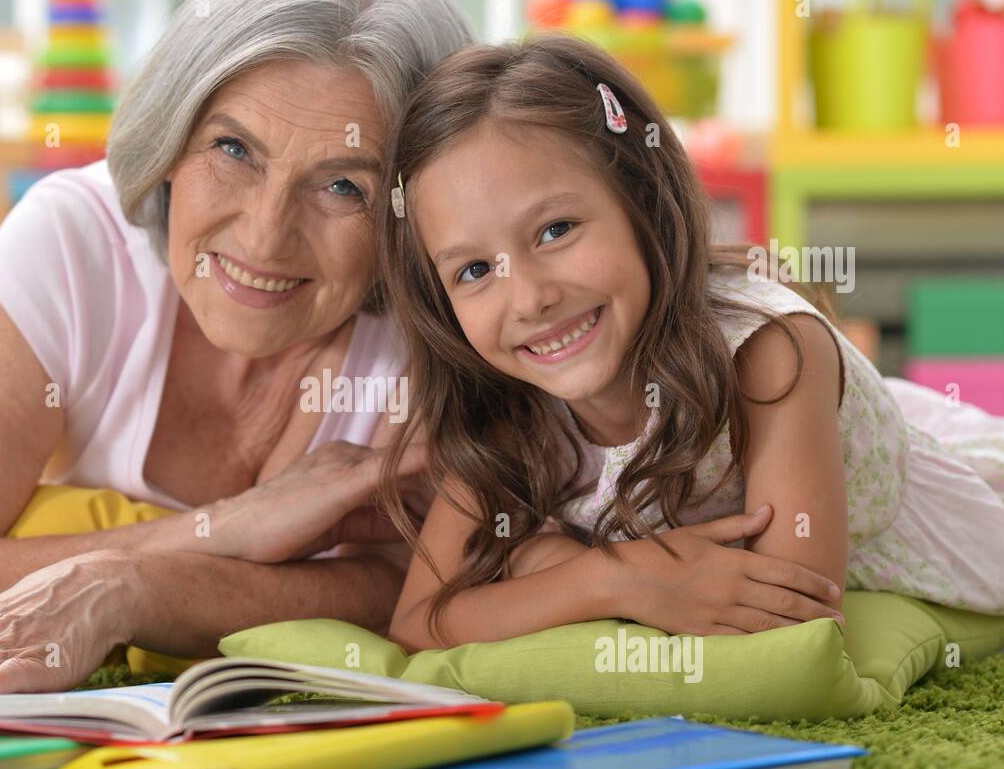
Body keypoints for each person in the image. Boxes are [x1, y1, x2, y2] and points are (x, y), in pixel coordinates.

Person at [0, 0, 474, 693]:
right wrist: (223, 528)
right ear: (170, 140)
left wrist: (132, 590)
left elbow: (414, 595)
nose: (264, 238)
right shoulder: (73, 243)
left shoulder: (443, 313)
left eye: (341, 186)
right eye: (233, 150)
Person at [375, 36, 1004, 652]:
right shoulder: (505, 399)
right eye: (475, 271)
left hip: (919, 490)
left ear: (643, 202)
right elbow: (420, 620)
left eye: (556, 230)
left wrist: (546, 568)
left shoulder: (770, 352)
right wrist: (611, 578)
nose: (529, 299)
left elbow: (795, 618)